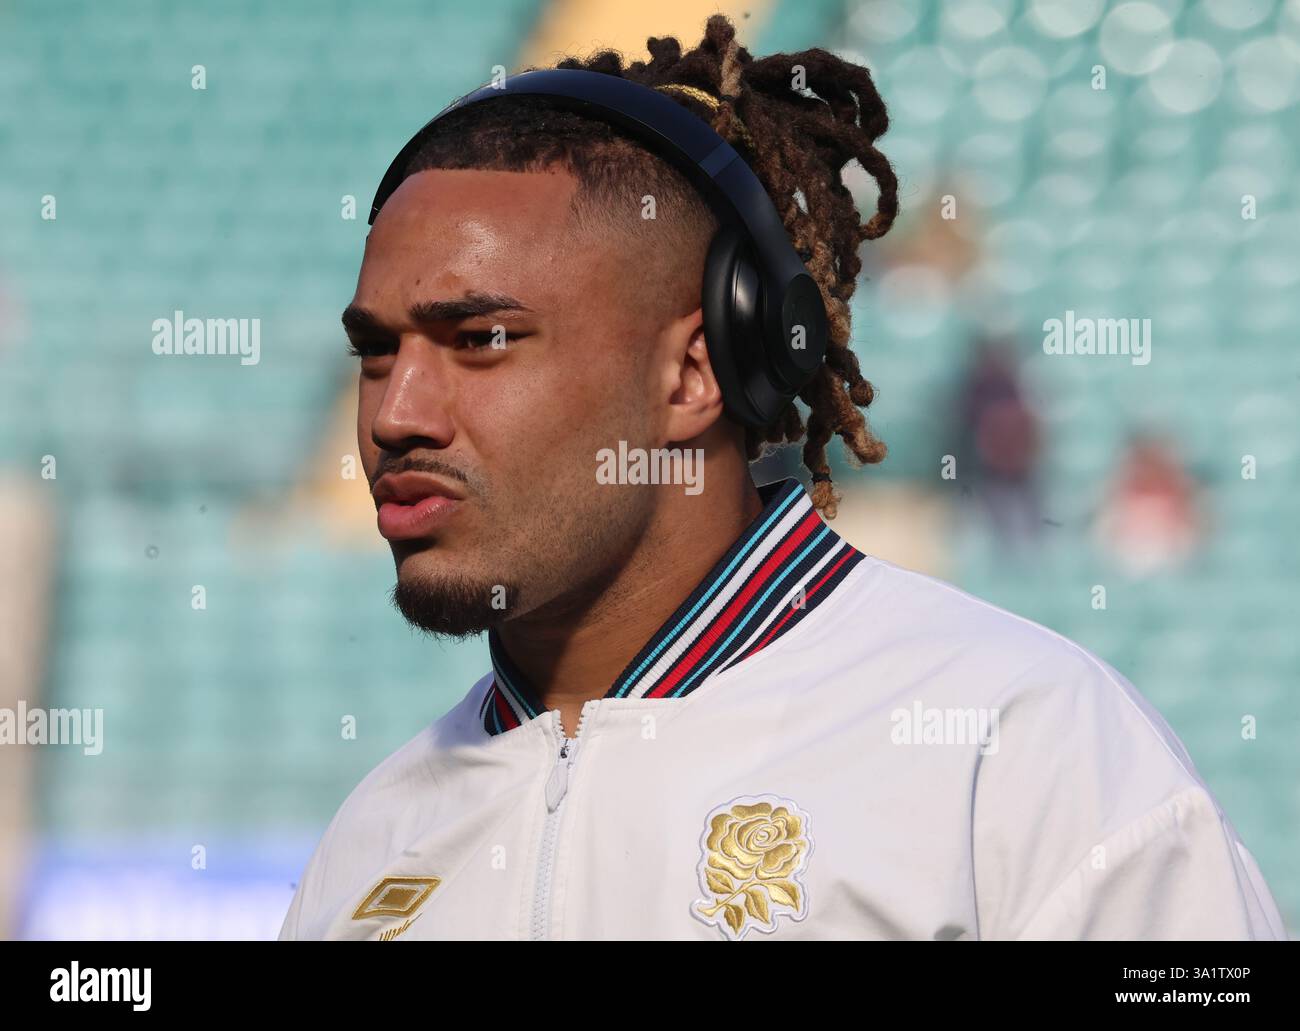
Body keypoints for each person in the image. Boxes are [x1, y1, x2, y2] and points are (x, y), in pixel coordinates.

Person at [279, 16, 1284, 941]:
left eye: (481, 338)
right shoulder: (369, 839)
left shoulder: (1027, 749)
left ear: (693, 371)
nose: (395, 411)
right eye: (375, 352)